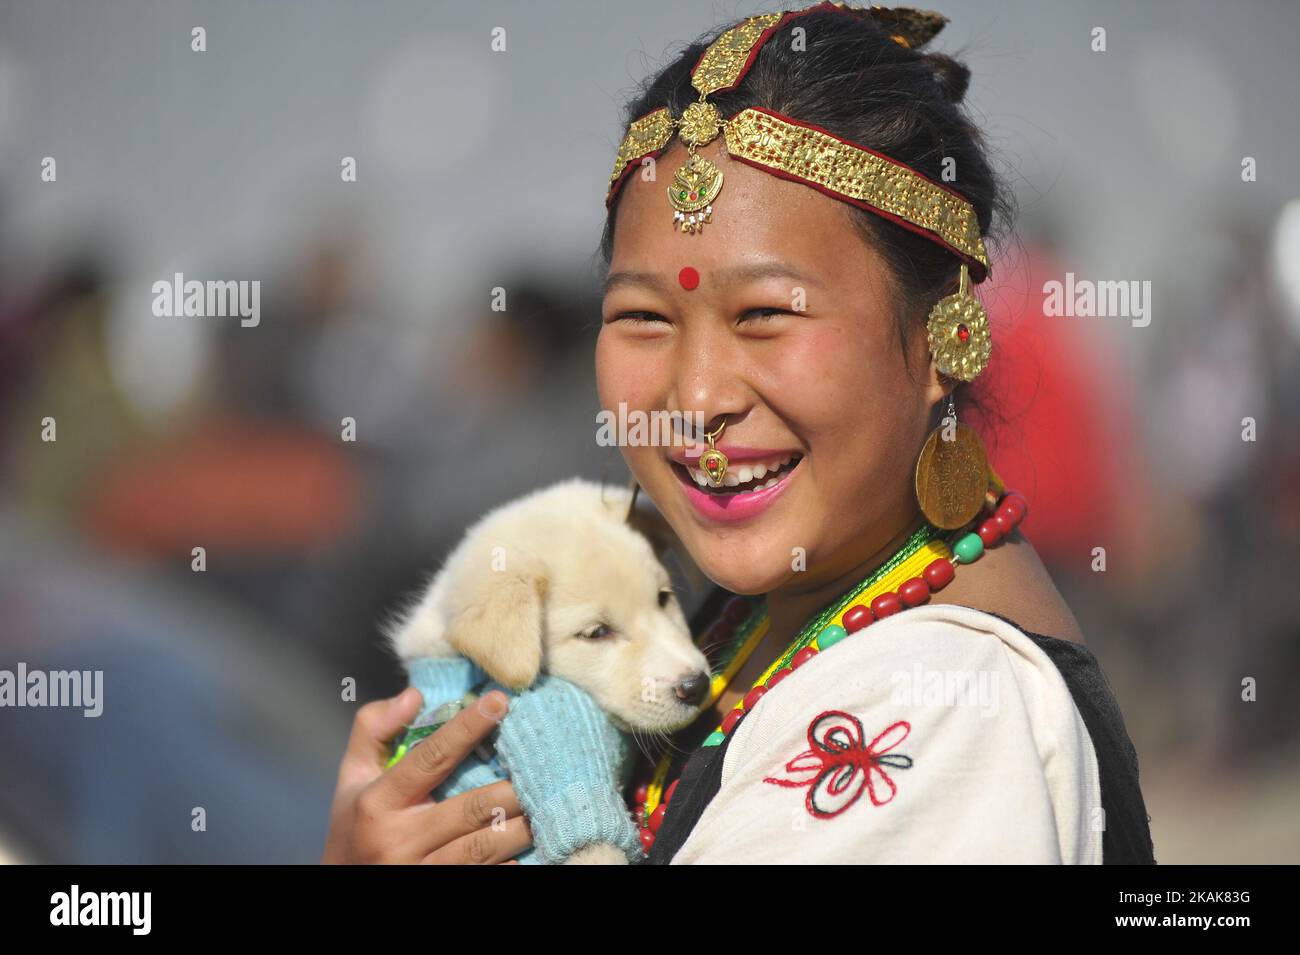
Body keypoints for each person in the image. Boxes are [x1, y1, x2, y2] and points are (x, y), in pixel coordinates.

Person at [323, 2, 1156, 864]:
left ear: (943, 329)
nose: (695, 394)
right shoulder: (754, 626)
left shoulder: (941, 713)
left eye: (764, 313)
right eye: (643, 316)